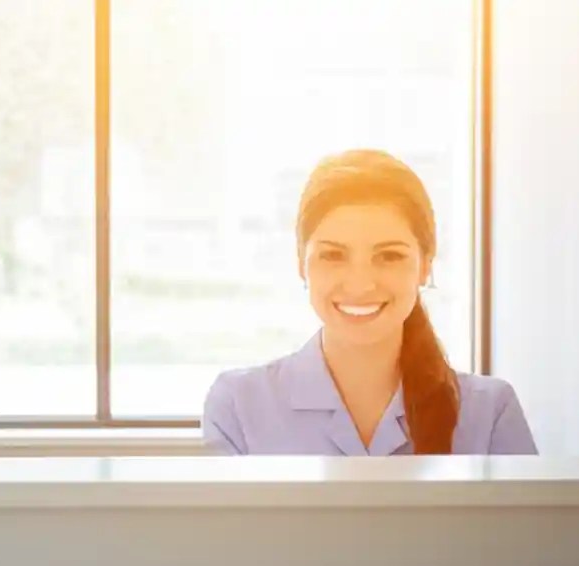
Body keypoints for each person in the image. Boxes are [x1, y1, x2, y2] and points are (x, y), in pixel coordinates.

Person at [201, 149, 537, 455]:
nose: (360, 284)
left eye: (389, 256)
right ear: (300, 262)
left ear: (425, 267)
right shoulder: (238, 406)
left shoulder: (490, 412)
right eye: (333, 255)